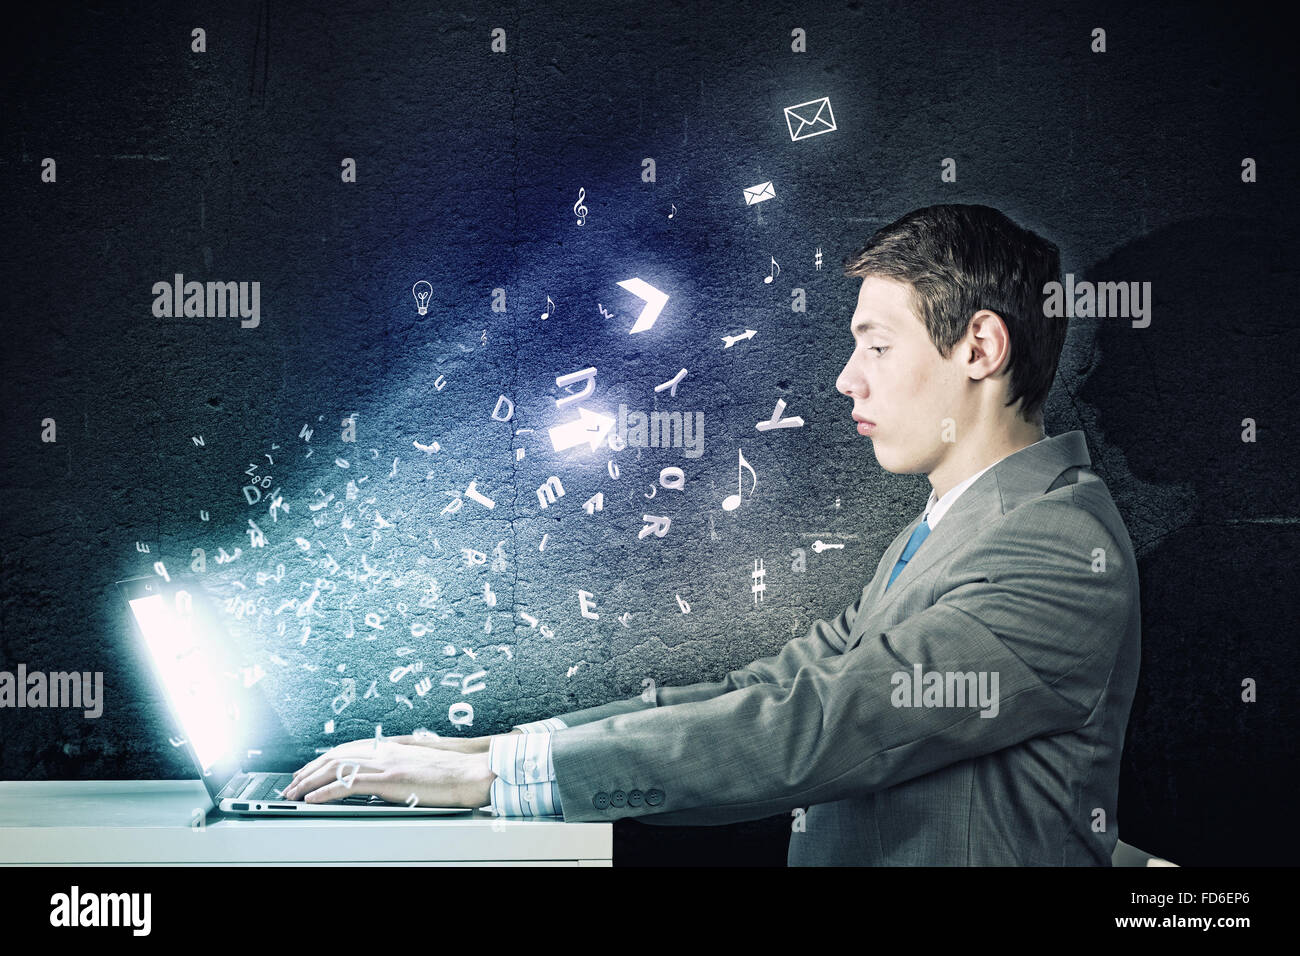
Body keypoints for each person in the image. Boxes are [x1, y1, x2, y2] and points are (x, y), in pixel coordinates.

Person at [283, 203, 1141, 866]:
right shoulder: (950, 530)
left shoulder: (1056, 548)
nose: (847, 379)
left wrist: (496, 781)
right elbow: (769, 685)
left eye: (876, 345)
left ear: (981, 347)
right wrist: (492, 749)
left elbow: (814, 726)